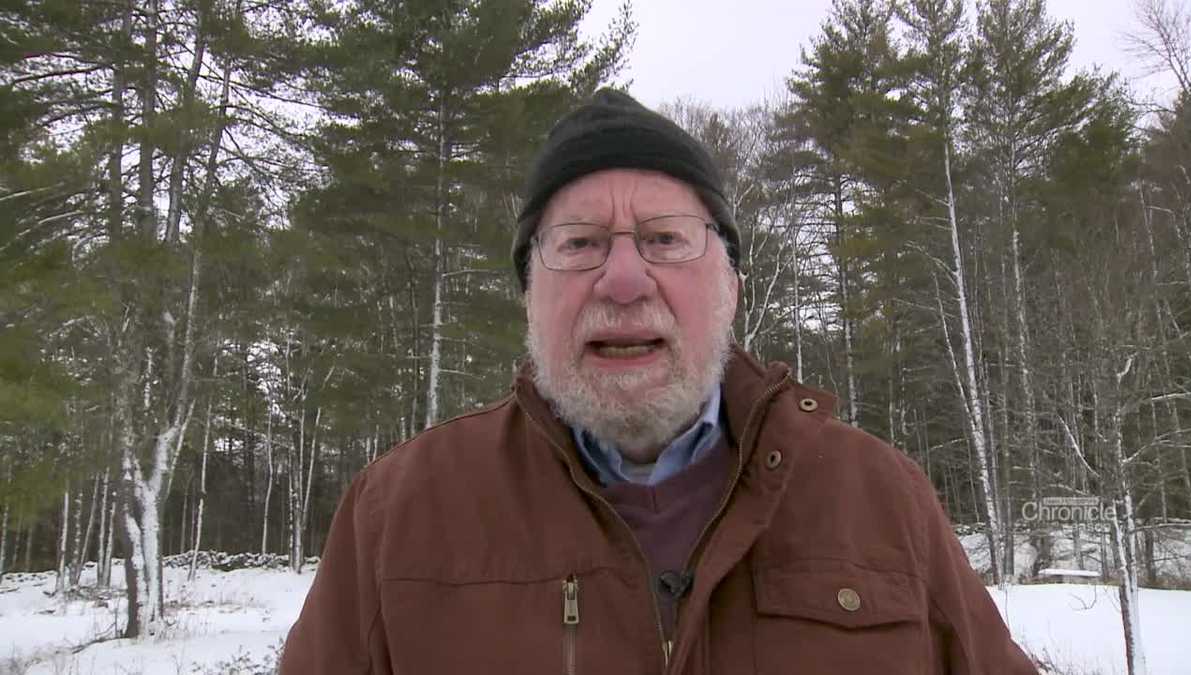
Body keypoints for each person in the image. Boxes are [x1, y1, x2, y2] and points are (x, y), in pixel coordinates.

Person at [279, 89, 1037, 674]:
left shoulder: (881, 495)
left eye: (664, 239)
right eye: (578, 243)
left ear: (732, 284)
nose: (623, 278)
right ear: (528, 296)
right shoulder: (397, 511)